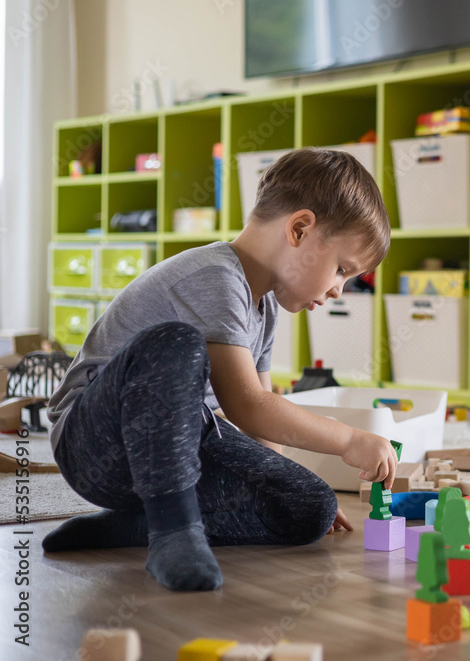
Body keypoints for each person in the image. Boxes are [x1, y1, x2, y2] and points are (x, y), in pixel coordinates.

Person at [43, 148, 397, 591]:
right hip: (96, 442)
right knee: (177, 342)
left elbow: (264, 423)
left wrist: (291, 485)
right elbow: (248, 405)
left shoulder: (265, 305)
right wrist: (347, 439)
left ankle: (134, 527)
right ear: (300, 229)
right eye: (342, 269)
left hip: (177, 449)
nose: (339, 290)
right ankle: (173, 532)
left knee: (310, 507)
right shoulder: (213, 276)